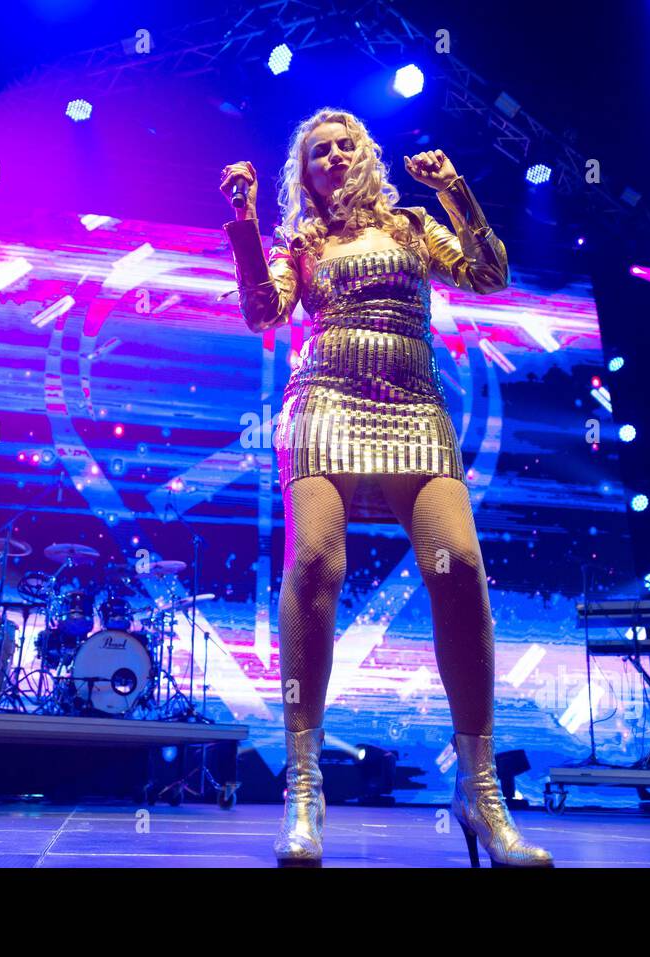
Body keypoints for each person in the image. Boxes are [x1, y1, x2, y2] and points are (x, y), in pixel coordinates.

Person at [219, 107, 552, 867]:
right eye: (317, 152)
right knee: (314, 566)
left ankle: (479, 789)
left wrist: (456, 194)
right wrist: (243, 223)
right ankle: (303, 788)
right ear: (303, 174)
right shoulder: (303, 242)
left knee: (460, 566)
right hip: (325, 398)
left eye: (345, 145)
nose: (334, 156)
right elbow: (259, 312)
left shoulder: (408, 225)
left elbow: (490, 274)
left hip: (414, 403)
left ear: (366, 156)